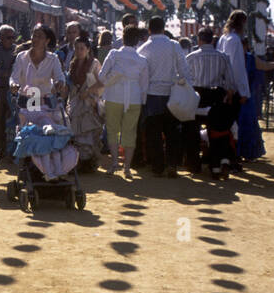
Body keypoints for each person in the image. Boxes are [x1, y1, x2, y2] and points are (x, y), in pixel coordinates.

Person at [137, 15, 193, 177]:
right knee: (172, 132)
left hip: (152, 95)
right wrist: (186, 88)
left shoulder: (143, 48)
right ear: (163, 28)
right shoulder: (174, 45)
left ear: (149, 30)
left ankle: (157, 166)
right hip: (171, 94)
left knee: (153, 133)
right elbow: (184, 69)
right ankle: (172, 164)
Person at [98, 25, 149, 179]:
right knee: (130, 133)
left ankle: (114, 163)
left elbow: (101, 76)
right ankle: (127, 167)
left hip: (113, 96)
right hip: (133, 98)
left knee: (112, 131)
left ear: (123, 38)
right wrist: (142, 101)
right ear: (137, 41)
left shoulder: (114, 55)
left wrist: (113, 78)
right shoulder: (142, 60)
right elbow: (144, 86)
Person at [185, 27, 237, 174]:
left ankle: (194, 164)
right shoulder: (223, 57)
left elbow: (184, 80)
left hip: (196, 101)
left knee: (192, 131)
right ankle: (217, 162)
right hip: (216, 101)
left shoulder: (191, 57)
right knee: (216, 132)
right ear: (212, 39)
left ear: (199, 40)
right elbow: (231, 83)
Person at [8, 24, 66, 155]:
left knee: (44, 136)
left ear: (47, 41)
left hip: (43, 103)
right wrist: (13, 85)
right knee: (27, 136)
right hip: (26, 102)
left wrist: (59, 83)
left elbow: (60, 77)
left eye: (39, 36)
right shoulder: (22, 57)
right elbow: (14, 77)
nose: (35, 39)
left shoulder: (53, 59)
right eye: (34, 35)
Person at [237, 40, 274, 163]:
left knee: (247, 125)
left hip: (246, 97)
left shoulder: (249, 59)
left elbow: (266, 65)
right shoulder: (239, 58)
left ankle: (246, 153)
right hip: (240, 97)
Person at [66, 37, 105, 170]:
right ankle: (79, 162)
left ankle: (89, 163)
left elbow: (101, 83)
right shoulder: (73, 64)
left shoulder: (94, 63)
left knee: (89, 134)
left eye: (82, 48)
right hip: (75, 102)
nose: (79, 51)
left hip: (89, 103)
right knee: (76, 133)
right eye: (76, 48)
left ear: (88, 49)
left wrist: (88, 91)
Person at [0, 24, 18, 164]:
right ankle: (0, 149)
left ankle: (12, 149)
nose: (12, 40)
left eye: (13, 37)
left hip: (13, 91)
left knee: (13, 120)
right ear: (1, 37)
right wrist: (6, 74)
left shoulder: (16, 49)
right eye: (9, 37)